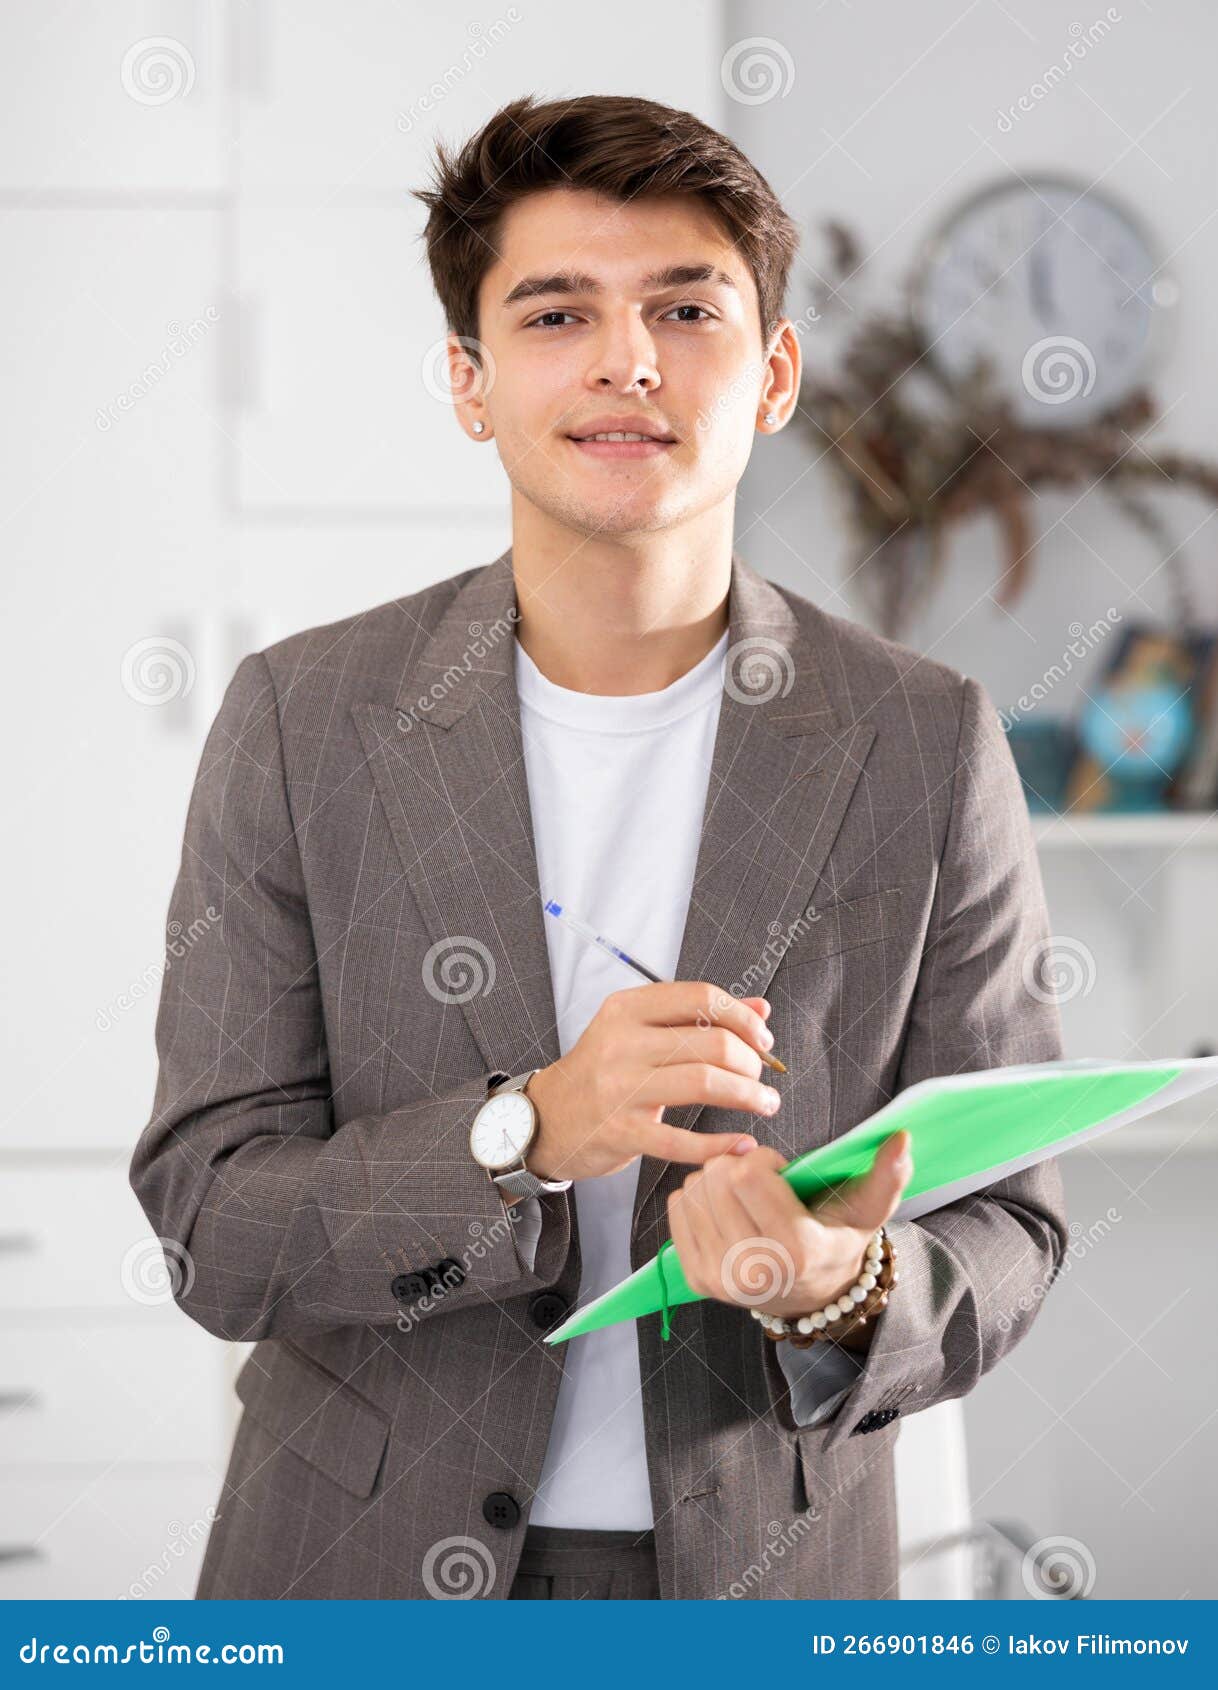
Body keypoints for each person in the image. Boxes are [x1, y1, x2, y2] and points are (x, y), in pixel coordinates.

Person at [129, 93, 1067, 1602]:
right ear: (470, 382)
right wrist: (525, 1132)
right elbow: (212, 1229)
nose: (626, 358)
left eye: (684, 308)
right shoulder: (304, 719)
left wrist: (843, 1284)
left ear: (771, 376)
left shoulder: (924, 739)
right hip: (355, 1574)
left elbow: (1013, 1219)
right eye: (556, 311)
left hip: (768, 1581)